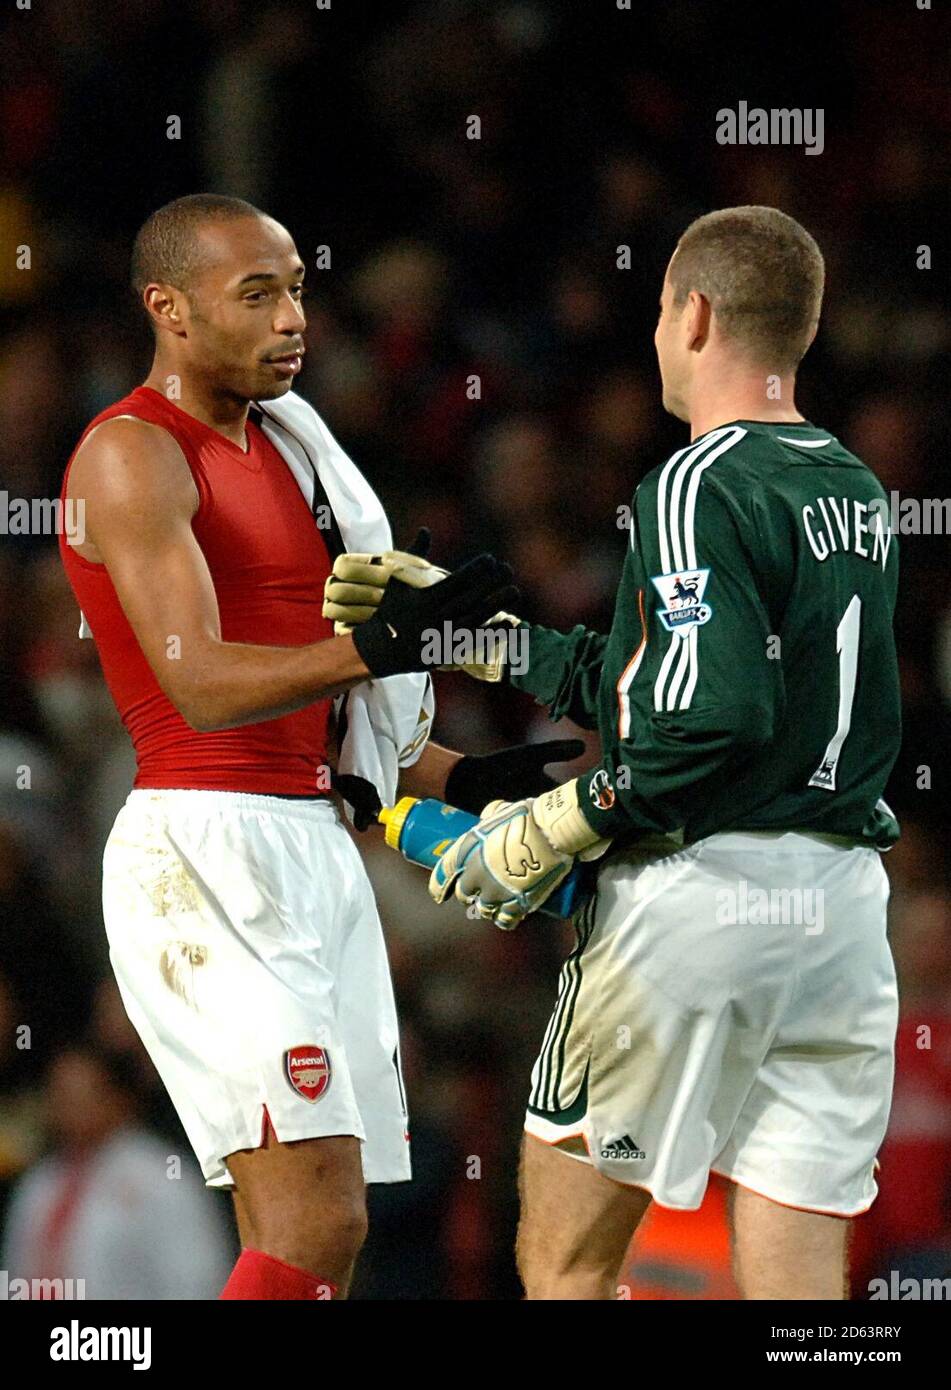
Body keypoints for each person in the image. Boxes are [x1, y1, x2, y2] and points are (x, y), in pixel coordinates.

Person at [346, 206, 902, 1300]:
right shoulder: (853, 486)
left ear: (692, 315)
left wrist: (561, 821)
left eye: (658, 310)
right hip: (841, 917)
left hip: (700, 905)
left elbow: (704, 724)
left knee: (567, 1265)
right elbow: (682, 683)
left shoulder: (699, 481)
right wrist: (484, 643)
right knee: (799, 1293)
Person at [57, 193, 574, 1300]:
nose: (293, 318)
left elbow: (325, 718)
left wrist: (455, 776)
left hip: (310, 835)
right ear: (171, 309)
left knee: (317, 1232)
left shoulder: (298, 453)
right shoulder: (131, 455)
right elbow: (199, 684)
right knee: (318, 1216)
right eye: (257, 295)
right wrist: (383, 648)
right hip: (204, 844)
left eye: (296, 288)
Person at [1, 1042, 232, 1300]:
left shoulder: (162, 1176)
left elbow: (200, 1281)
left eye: (82, 1096)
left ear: (117, 1098)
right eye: (61, 1095)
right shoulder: (40, 1182)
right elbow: (14, 1277)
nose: (70, 1108)